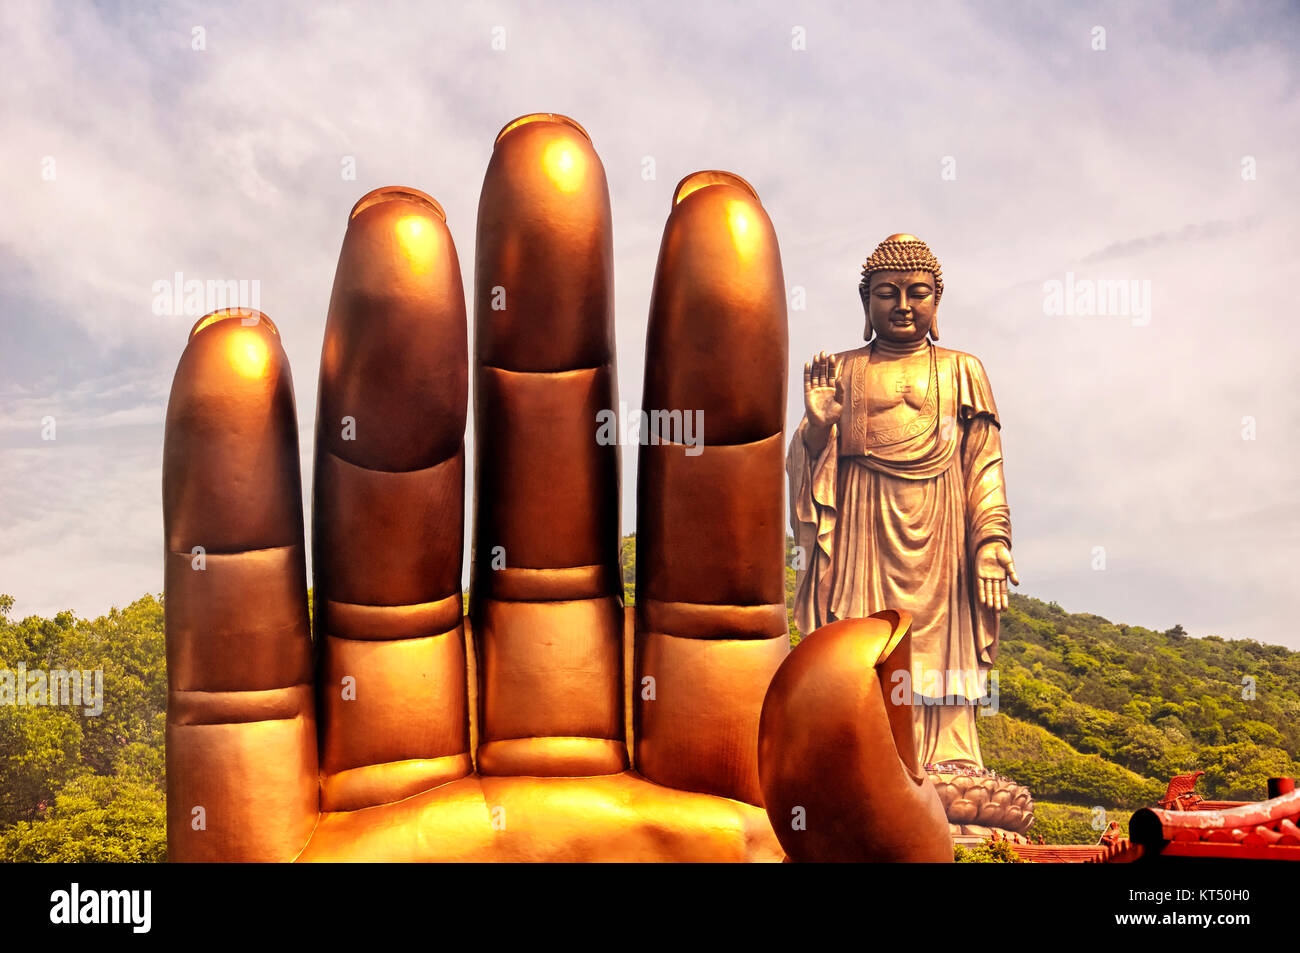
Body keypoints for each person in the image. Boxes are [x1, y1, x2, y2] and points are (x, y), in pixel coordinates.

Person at [787, 234, 1018, 769]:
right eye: (887, 293)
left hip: (942, 524)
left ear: (937, 302)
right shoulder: (841, 370)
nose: (903, 306)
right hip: (861, 525)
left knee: (941, 641)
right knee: (862, 638)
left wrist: (990, 540)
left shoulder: (964, 369)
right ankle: (863, 754)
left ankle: (950, 761)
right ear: (866, 304)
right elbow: (802, 462)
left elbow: (984, 462)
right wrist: (818, 429)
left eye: (918, 292)